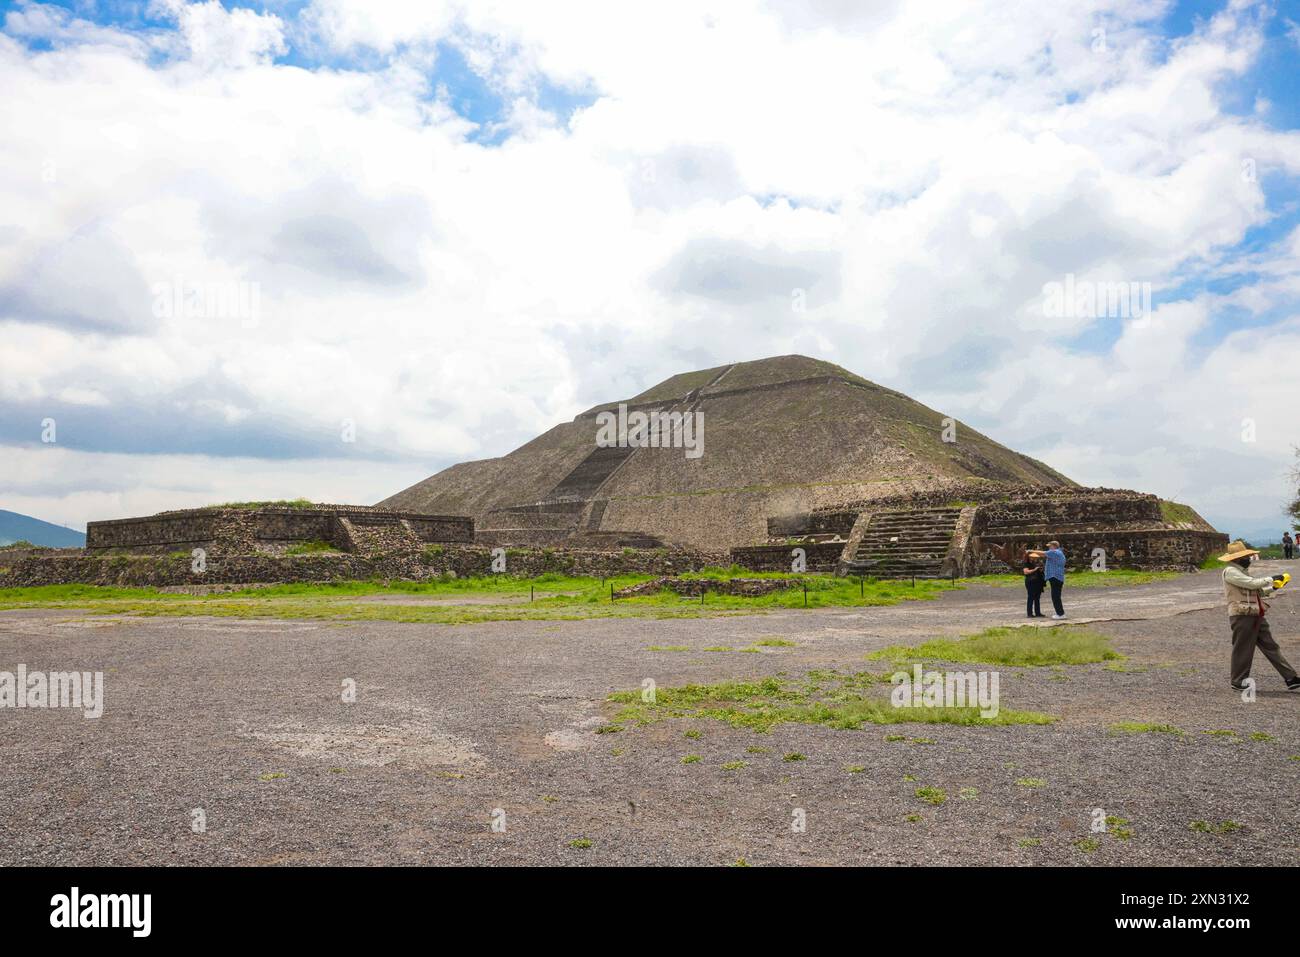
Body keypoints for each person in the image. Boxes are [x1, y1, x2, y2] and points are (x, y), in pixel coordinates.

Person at [1218, 540, 1300, 693]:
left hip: (1255, 614)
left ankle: (1290, 677)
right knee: (1243, 648)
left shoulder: (1241, 571)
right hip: (1242, 615)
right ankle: (1238, 681)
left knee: (1271, 646)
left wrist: (1274, 587)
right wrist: (1271, 578)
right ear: (1236, 558)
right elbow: (1252, 584)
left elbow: (1257, 591)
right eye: (1245, 557)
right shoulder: (1230, 571)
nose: (1248, 559)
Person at [1029, 541, 1067, 618]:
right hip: (1057, 577)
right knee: (1056, 596)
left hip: (1055, 577)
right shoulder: (1059, 553)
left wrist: (1030, 551)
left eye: (1050, 546)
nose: (1049, 548)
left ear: (1054, 546)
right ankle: (1060, 613)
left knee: (1055, 596)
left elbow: (1043, 553)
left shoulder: (1055, 552)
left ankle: (1060, 614)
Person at [1022, 548, 1046, 618]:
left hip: (1037, 582)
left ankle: (1038, 612)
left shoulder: (1035, 563)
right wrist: (1035, 570)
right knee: (1031, 597)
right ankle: (1029, 613)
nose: (1035, 558)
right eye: (1033, 557)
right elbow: (1026, 572)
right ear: (1029, 557)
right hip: (1030, 582)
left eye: (1035, 557)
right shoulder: (1026, 563)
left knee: (1037, 598)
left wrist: (1040, 570)